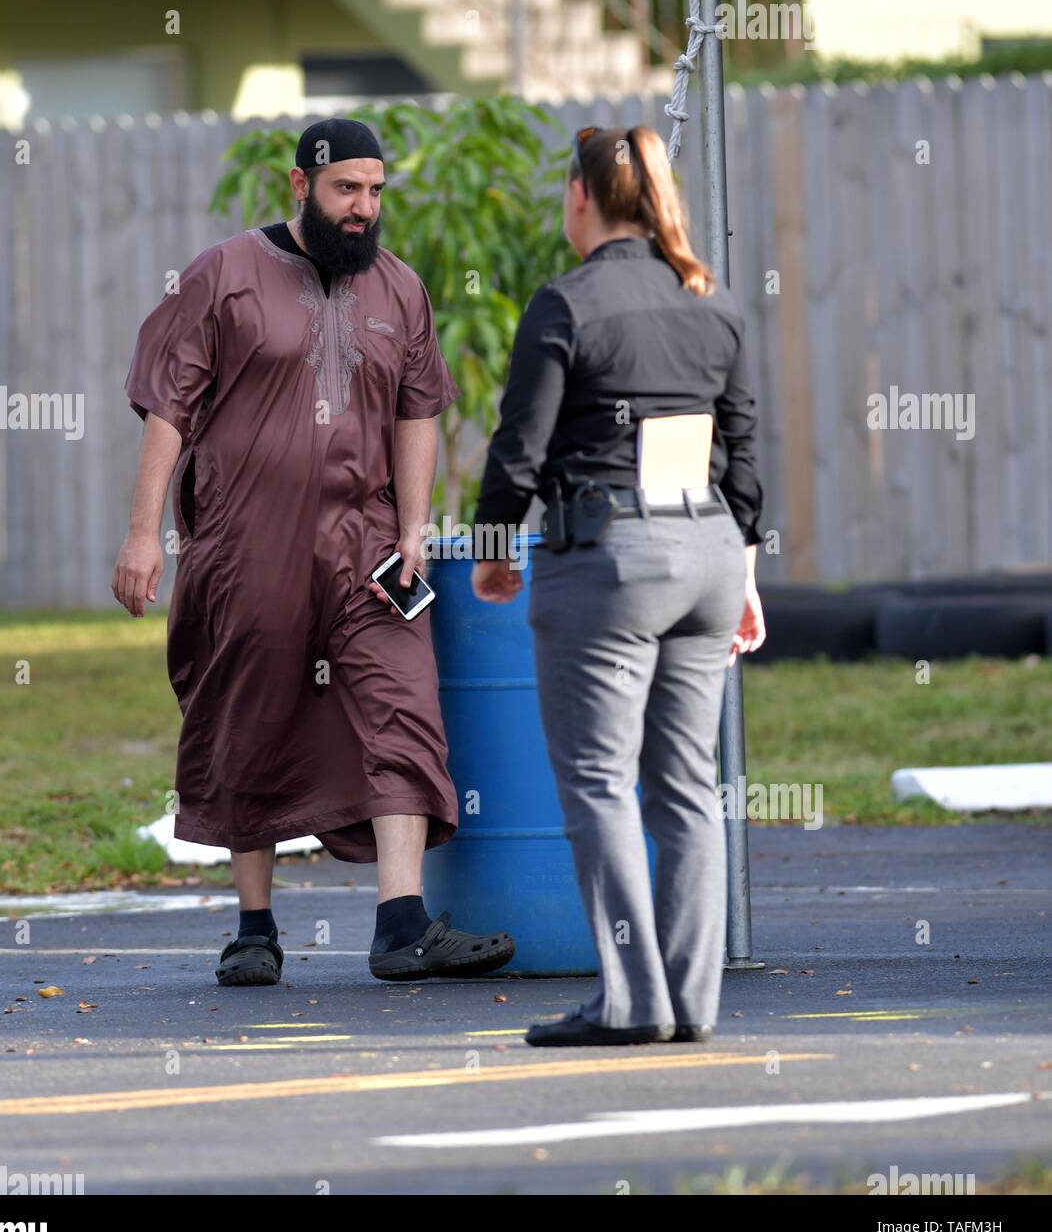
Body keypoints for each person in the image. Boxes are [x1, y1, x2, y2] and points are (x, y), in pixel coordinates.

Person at [113, 117, 515, 988]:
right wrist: (144, 532)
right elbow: (168, 409)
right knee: (245, 720)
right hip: (246, 546)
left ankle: (401, 926)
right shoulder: (224, 275)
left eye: (375, 191)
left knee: (404, 703)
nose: (364, 208)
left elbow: (418, 411)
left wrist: (413, 526)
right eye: (346, 190)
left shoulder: (400, 288)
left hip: (366, 547)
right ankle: (254, 929)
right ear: (301, 186)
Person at [470, 124, 765, 1047]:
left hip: (608, 561)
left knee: (599, 781)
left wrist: (492, 549)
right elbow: (743, 454)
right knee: (687, 786)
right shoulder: (711, 301)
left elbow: (517, 449)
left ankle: (632, 1002)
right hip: (708, 554)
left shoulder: (566, 304)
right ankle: (691, 1002)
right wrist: (745, 573)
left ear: (581, 197)